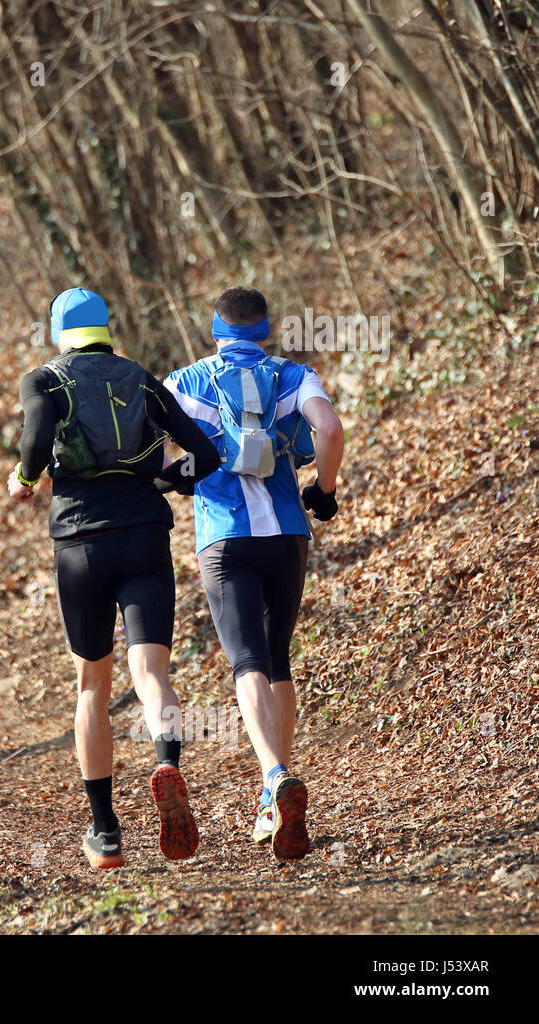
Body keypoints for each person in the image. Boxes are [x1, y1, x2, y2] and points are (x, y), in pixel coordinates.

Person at [8, 287, 220, 869]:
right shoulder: (141, 378)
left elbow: (33, 439)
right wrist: (172, 477)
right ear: (106, 327)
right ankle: (168, 764)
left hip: (80, 544)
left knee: (93, 688)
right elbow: (205, 454)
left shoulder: (43, 380)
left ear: (59, 333)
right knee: (151, 673)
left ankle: (105, 834)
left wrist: (26, 478)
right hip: (144, 536)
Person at [163, 286, 345, 861]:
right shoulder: (293, 374)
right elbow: (331, 432)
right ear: (264, 328)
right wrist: (325, 489)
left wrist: (180, 476)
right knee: (277, 660)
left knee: (247, 663)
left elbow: (160, 459)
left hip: (225, 539)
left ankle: (273, 775)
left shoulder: (184, 382)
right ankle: (274, 804)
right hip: (287, 535)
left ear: (215, 330)